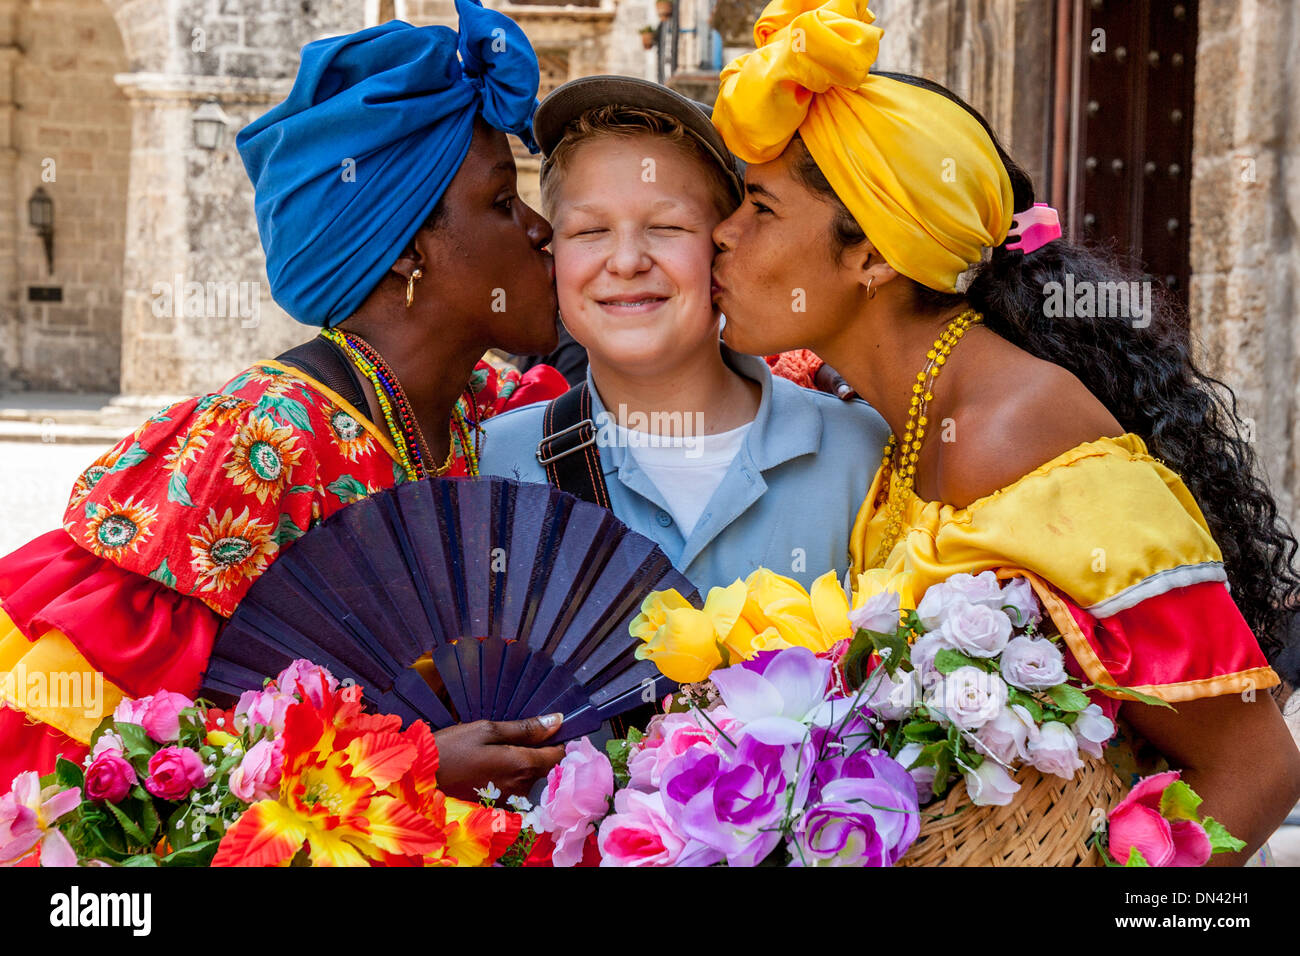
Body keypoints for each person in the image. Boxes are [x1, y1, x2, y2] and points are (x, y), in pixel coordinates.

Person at [708, 0, 1300, 862]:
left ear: (873, 254)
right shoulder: (914, 420)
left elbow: (1258, 768)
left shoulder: (1015, 433)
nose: (721, 235)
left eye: (759, 207)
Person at [0, 3, 569, 801]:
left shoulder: (496, 412)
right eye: (504, 201)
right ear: (409, 248)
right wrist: (403, 765)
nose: (541, 231)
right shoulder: (265, 434)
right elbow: (123, 750)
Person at [478, 76, 888, 594]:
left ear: (726, 247)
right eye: (589, 231)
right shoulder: (492, 467)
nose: (627, 262)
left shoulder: (864, 454)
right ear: (551, 252)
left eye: (668, 228)